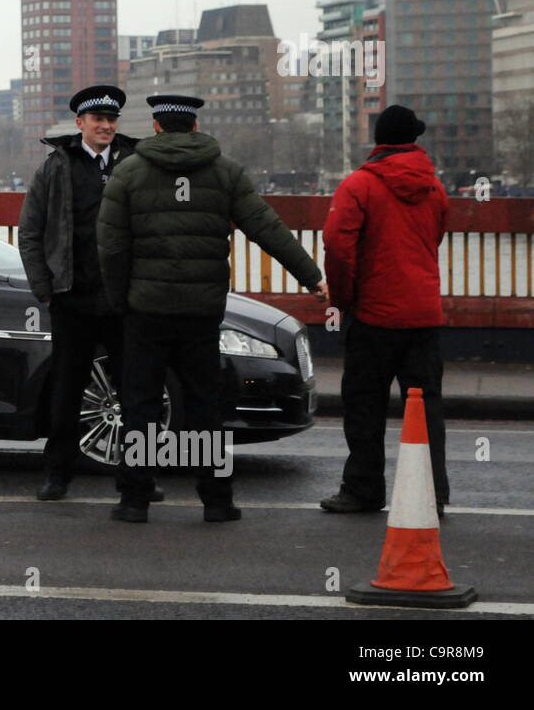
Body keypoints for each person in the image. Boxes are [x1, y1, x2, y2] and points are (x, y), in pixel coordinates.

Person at [97, 94, 328, 523]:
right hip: (202, 313)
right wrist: (311, 276)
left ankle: (134, 499)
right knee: (205, 405)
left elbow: (111, 247)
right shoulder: (225, 172)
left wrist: (120, 300)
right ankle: (216, 499)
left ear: (157, 126)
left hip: (146, 312)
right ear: (195, 127)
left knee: (141, 405)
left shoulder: (128, 172)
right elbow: (266, 227)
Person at [17, 85, 161, 502]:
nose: (106, 126)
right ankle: (57, 473)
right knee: (66, 389)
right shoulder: (56, 167)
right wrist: (44, 289)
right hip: (73, 298)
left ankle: (140, 478)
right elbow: (31, 231)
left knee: (135, 391)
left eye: (112, 119)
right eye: (98, 119)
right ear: (79, 123)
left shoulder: (135, 162)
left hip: (123, 301)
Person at [319, 104, 450, 515]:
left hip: (374, 315)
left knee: (363, 405)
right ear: (414, 140)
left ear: (378, 141)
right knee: (426, 405)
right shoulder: (435, 187)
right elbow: (437, 236)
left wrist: (343, 298)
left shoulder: (358, 185)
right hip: (424, 314)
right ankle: (433, 494)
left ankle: (363, 489)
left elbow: (338, 246)